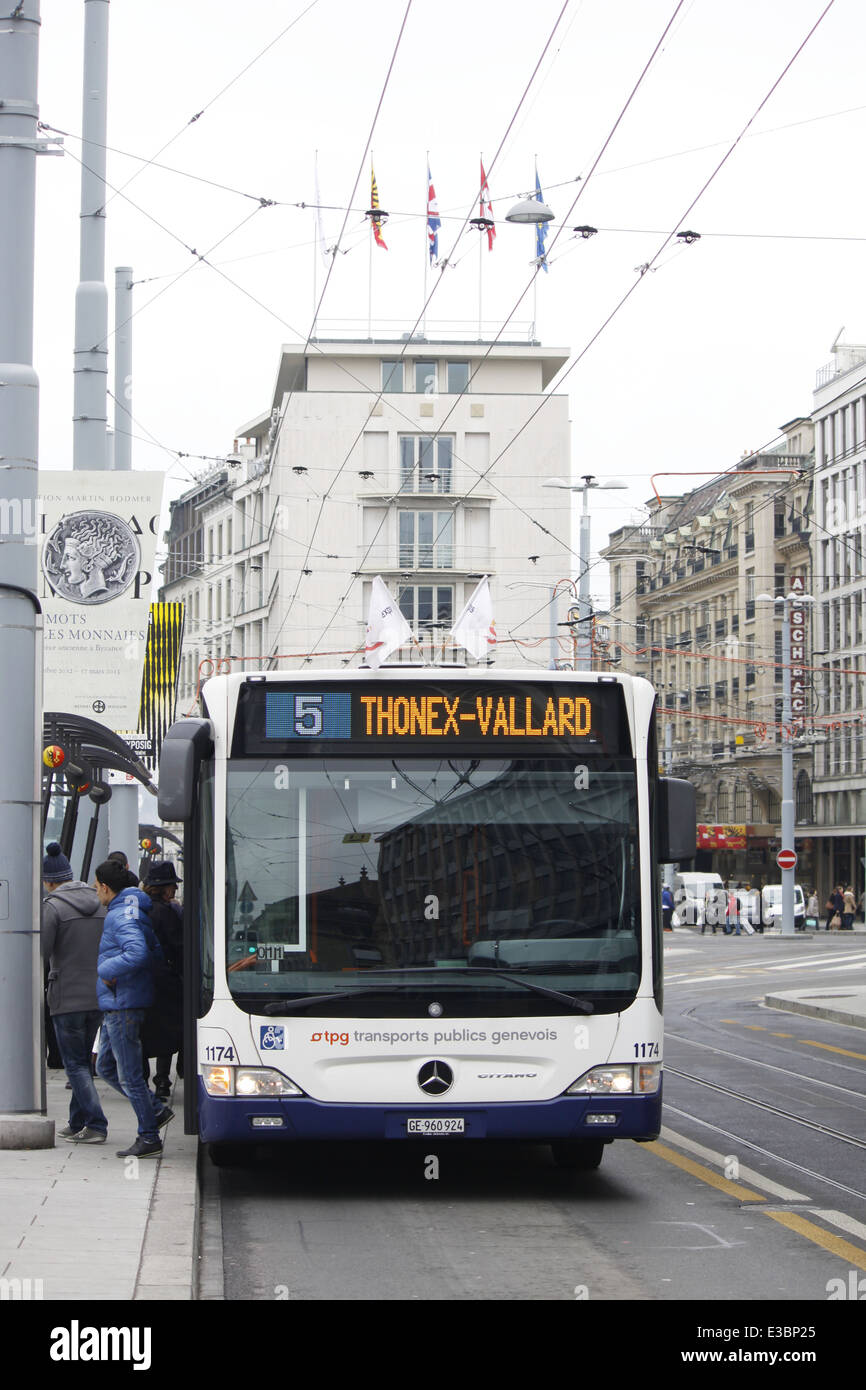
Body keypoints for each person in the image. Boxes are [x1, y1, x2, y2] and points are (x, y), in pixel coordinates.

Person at [94, 859, 173, 1159]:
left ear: (105, 887)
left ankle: (149, 1135)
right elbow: (153, 952)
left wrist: (105, 968)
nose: (95, 891)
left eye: (95, 885)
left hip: (122, 1003)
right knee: (105, 1067)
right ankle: (155, 1110)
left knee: (128, 1075)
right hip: (122, 999)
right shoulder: (133, 910)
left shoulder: (120, 916)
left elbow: (138, 952)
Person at [41, 843, 109, 1143]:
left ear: (49, 880)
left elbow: (42, 951)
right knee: (81, 1060)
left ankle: (96, 1123)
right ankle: (76, 1120)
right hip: (97, 994)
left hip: (66, 996)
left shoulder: (53, 907)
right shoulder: (100, 902)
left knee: (75, 1065)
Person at [140, 862, 184, 1101]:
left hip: (143, 980)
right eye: (173, 886)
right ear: (163, 888)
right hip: (165, 980)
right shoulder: (167, 913)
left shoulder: (141, 910)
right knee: (168, 1032)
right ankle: (163, 1081)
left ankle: (143, 1081)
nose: (175, 891)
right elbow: (178, 947)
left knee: (144, 1033)